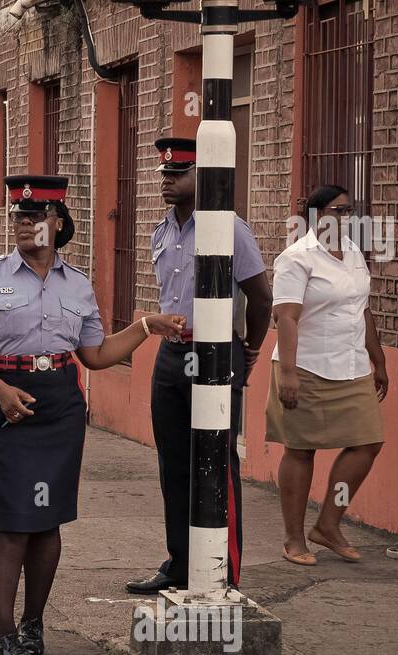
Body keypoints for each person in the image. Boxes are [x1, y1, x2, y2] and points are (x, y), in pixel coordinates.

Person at [0, 174, 186, 655]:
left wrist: (146, 326)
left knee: (48, 520)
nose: (24, 224)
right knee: (11, 522)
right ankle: (1, 634)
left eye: (35, 217)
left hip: (58, 403)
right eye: (19, 216)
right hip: (5, 402)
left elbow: (96, 355)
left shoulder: (78, 285)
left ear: (58, 225)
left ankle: (33, 625)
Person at [125, 137, 273, 595]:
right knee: (173, 463)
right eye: (164, 174)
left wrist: (248, 349)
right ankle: (179, 562)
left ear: (201, 176)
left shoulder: (227, 229)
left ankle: (223, 570)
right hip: (171, 354)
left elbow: (261, 295)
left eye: (178, 174)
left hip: (215, 353)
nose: (167, 182)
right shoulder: (162, 231)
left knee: (216, 460)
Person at [269, 185, 387, 565]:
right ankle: (293, 538)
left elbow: (362, 309)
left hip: (351, 365)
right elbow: (286, 316)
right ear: (317, 214)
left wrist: (378, 359)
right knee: (301, 449)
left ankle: (328, 525)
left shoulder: (352, 253)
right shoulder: (296, 258)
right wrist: (288, 372)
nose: (347, 217)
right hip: (306, 366)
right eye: (340, 210)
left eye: (352, 211)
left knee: (368, 442)